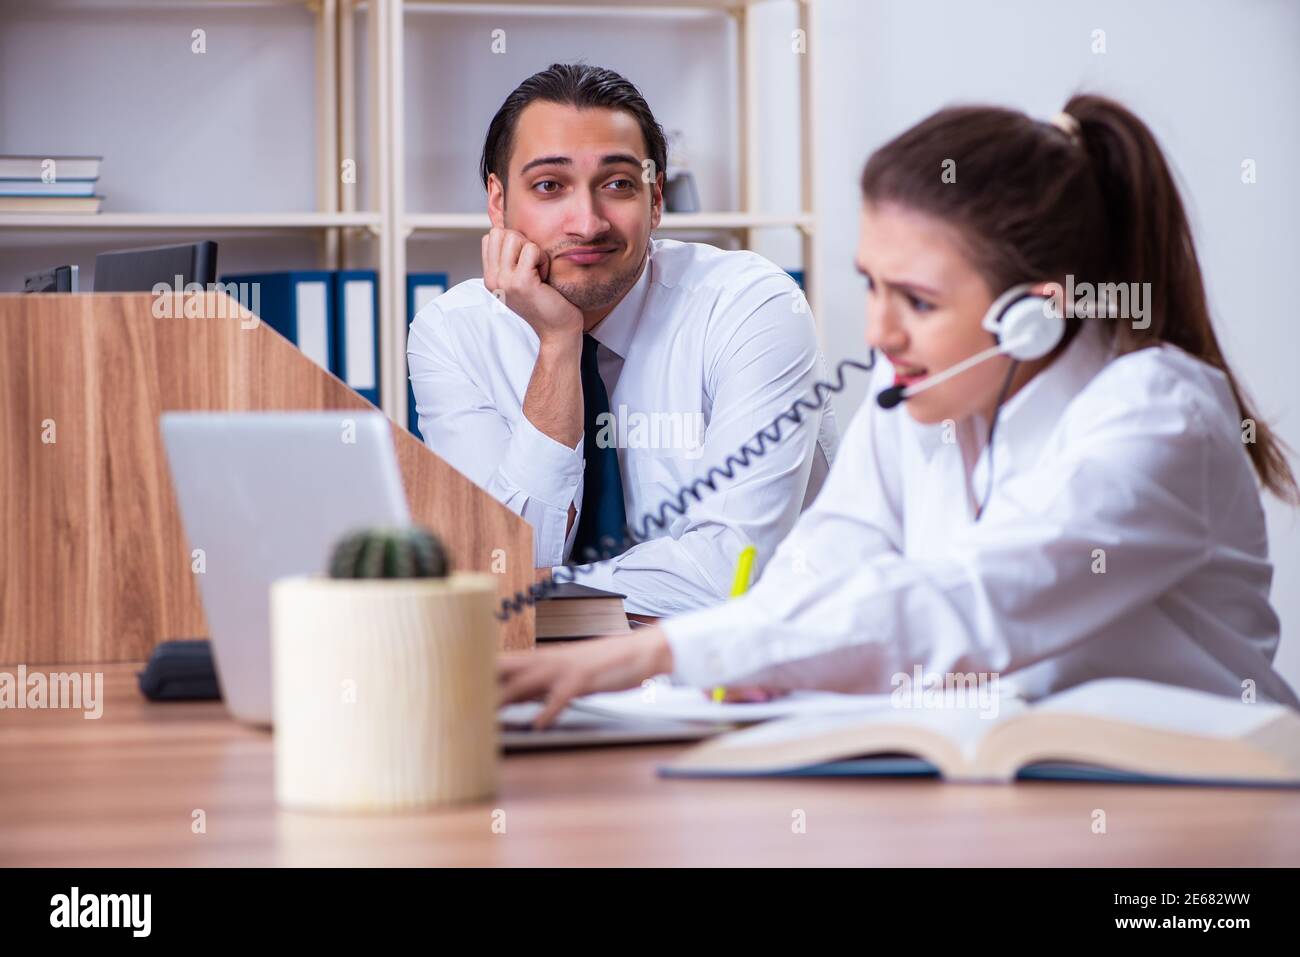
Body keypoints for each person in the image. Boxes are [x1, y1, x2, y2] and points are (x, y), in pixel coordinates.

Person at [500, 93, 1300, 725]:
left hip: (1215, 799)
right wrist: (714, 665)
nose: (880, 332)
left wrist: (646, 654)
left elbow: (967, 607)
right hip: (1018, 792)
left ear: (1035, 312)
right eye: (872, 285)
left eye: (917, 300)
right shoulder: (917, 398)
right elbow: (821, 576)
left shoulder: (1159, 417)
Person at [408, 64, 838, 618]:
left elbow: (729, 574)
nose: (587, 223)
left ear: (655, 199)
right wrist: (559, 345)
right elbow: (501, 562)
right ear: (498, 202)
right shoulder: (451, 331)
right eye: (548, 186)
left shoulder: (751, 305)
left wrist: (537, 589)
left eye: (617, 185)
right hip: (545, 674)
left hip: (747, 674)